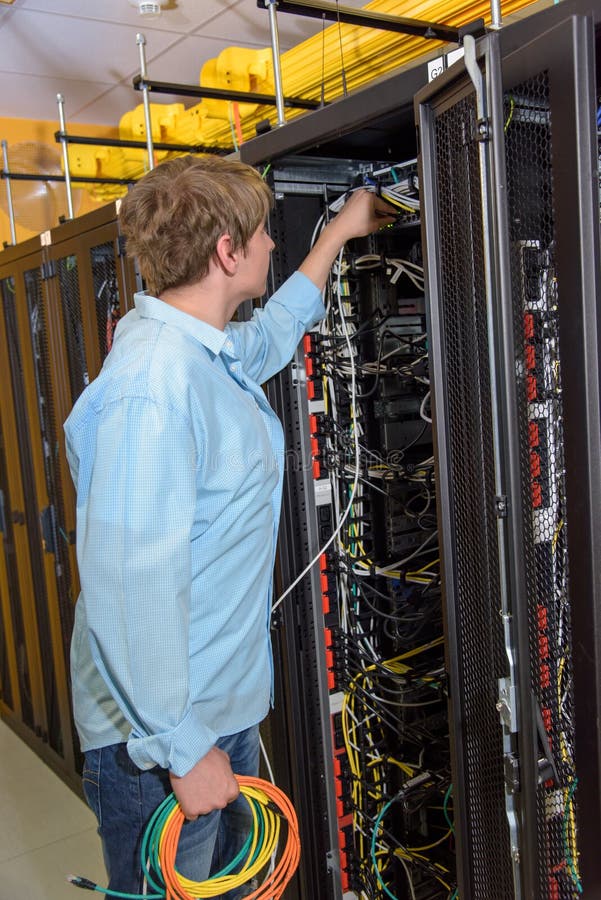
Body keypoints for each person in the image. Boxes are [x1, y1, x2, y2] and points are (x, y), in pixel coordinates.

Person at [64, 153, 395, 895]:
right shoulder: (150, 390)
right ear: (226, 252)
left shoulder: (200, 352)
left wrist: (338, 234)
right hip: (160, 745)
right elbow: (127, 591)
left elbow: (272, 335)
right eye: (263, 232)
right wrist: (184, 750)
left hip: (215, 710)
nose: (273, 244)